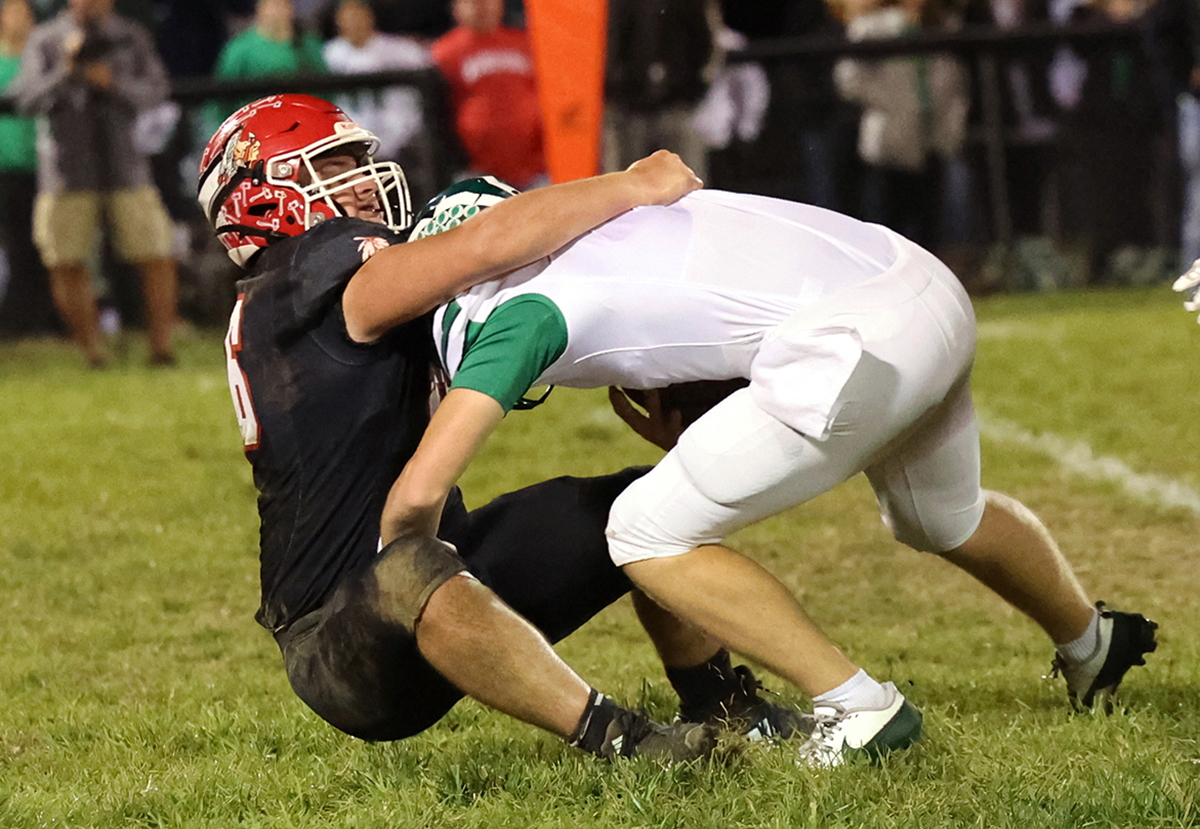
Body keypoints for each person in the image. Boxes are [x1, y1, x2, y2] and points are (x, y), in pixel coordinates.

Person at [380, 175, 1160, 767]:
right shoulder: (610, 216)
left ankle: (860, 706)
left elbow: (420, 490)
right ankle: (1092, 641)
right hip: (920, 282)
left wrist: (395, 577)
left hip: (858, 336)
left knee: (645, 530)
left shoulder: (516, 307)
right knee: (939, 516)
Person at [199, 94, 806, 763]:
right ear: (262, 196)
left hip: (442, 562)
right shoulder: (299, 275)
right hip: (338, 635)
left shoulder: (320, 291)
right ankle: (625, 743)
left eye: (357, 163)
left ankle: (724, 702)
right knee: (410, 565)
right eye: (334, 167)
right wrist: (631, 185)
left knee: (640, 508)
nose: (365, 182)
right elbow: (484, 246)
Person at [10, 0, 178, 366]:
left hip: (125, 165)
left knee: (157, 251)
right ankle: (91, 352)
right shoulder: (47, 39)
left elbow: (158, 89)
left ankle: (161, 348)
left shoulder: (130, 36)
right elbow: (24, 99)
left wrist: (114, 84)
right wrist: (66, 70)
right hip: (66, 170)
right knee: (65, 259)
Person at [430, 0, 545, 189]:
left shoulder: (526, 43)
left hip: (536, 168)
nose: (482, 6)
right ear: (457, 7)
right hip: (475, 171)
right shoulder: (444, 53)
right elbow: (437, 112)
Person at [0, 0, 56, 338]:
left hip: (43, 168)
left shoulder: (42, 59)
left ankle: (44, 317)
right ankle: (17, 319)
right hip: (6, 169)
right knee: (16, 245)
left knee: (44, 246)